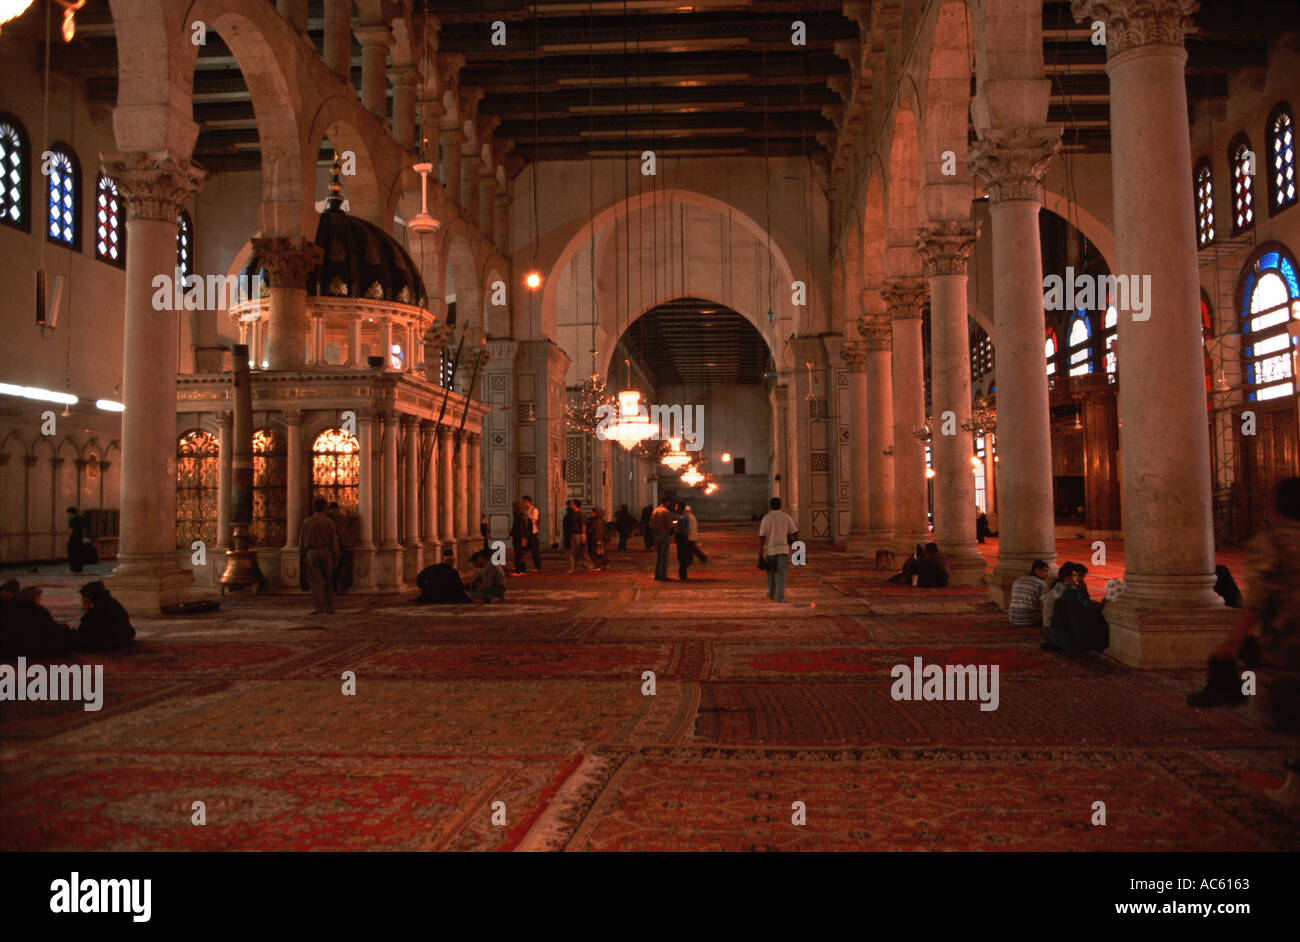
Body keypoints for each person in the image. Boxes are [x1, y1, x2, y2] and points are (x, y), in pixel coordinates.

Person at [1207, 478, 1300, 807]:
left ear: (1276, 506)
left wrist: (1232, 643)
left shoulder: (1271, 542)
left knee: (1290, 716)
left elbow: (1256, 601)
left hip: (1288, 647)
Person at [1042, 562, 1109, 653]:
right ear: (1067, 578)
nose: (1079, 579)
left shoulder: (1069, 589)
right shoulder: (1062, 591)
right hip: (1056, 626)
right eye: (1076, 576)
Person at [0, 584, 73, 658]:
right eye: (38, 597)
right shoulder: (39, 610)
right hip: (34, 648)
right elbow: (52, 629)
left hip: (13, 648)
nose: (40, 599)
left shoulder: (10, 609)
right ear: (34, 598)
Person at [298, 498, 341, 614]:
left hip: (311, 553)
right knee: (328, 580)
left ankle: (318, 607)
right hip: (326, 553)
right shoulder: (329, 522)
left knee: (315, 582)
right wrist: (336, 556)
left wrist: (301, 554)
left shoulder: (306, 522)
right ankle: (329, 606)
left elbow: (301, 540)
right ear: (324, 508)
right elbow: (333, 541)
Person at [72, 580, 135, 651]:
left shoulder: (99, 608)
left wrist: (87, 608)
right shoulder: (112, 602)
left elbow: (84, 629)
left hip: (110, 641)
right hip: (123, 636)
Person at [758, 496, 798, 602]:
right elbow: (794, 533)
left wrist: (760, 555)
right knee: (781, 574)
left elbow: (762, 537)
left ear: (770, 506)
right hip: (783, 550)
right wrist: (799, 552)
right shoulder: (786, 517)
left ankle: (771, 593)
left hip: (770, 550)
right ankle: (779, 596)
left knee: (770, 573)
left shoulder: (766, 518)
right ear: (780, 505)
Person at [1008, 560, 1051, 627]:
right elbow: (1045, 605)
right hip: (1030, 619)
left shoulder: (1018, 580)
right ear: (1037, 570)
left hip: (1013, 617)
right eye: (1045, 571)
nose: (1047, 575)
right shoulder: (1041, 584)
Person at [326, 501, 354, 593]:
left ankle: (329, 588)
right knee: (339, 566)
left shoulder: (326, 516)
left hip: (327, 545)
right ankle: (340, 587)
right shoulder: (341, 516)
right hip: (340, 543)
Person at [650, 496, 675, 580]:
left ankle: (657, 574)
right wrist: (673, 525)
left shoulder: (655, 511)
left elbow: (651, 524)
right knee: (664, 556)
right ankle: (663, 575)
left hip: (656, 534)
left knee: (658, 556)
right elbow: (668, 524)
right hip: (664, 534)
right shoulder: (666, 512)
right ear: (667, 502)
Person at [564, 499, 592, 572]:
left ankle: (590, 566)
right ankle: (572, 567)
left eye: (572, 504)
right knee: (572, 552)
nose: (570, 505)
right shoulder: (571, 514)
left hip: (578, 534)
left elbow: (583, 525)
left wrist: (583, 535)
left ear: (576, 505)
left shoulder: (581, 514)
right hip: (572, 534)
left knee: (583, 551)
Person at [521, 495, 542, 571]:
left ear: (528, 502)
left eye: (524, 502)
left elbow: (534, 520)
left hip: (533, 533)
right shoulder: (527, 511)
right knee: (524, 550)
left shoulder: (534, 510)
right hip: (527, 533)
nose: (523, 504)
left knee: (535, 551)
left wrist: (527, 520)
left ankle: (537, 567)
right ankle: (522, 566)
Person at [674, 501, 694, 581]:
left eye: (676, 506)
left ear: (680, 508)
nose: (675, 508)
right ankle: (682, 574)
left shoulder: (682, 517)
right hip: (682, 537)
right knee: (681, 556)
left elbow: (680, 529)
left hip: (682, 537)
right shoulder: (682, 516)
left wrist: (674, 528)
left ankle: (683, 575)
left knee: (682, 556)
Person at [66, 506, 86, 573]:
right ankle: (79, 568)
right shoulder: (81, 518)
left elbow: (71, 529)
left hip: (73, 538)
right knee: (79, 553)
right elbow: (83, 528)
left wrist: (68, 538)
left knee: (72, 553)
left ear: (70, 513)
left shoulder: (71, 519)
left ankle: (73, 568)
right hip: (79, 537)